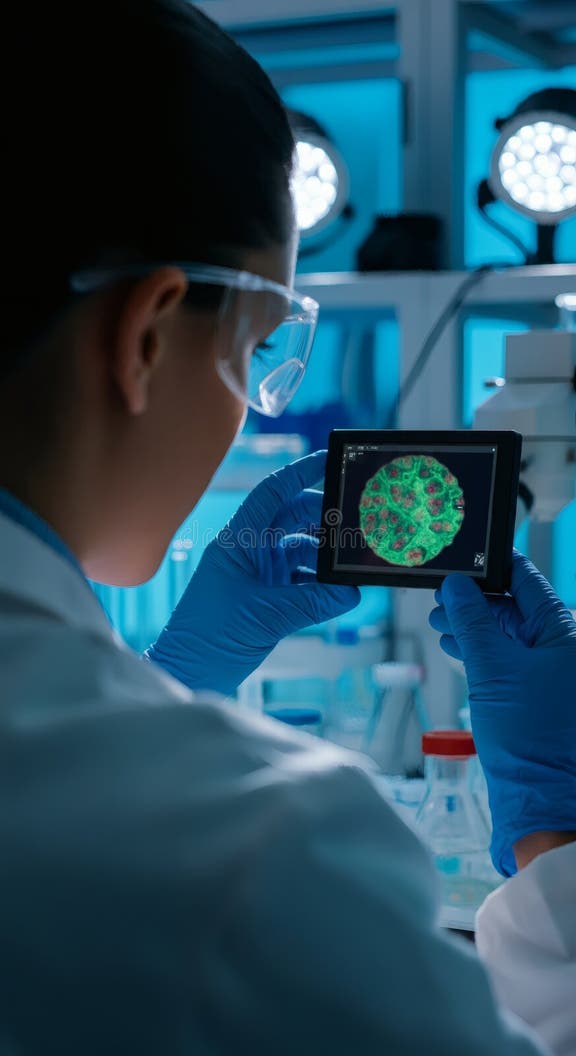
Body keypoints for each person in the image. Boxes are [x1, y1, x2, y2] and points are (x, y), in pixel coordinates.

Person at [0, 2, 574, 1053]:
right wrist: (560, 843)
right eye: (260, 346)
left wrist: (179, 680)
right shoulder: (261, 848)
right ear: (147, 334)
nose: (252, 402)